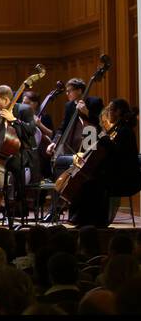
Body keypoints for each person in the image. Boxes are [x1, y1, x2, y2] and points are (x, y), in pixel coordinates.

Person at [67, 99, 141, 227]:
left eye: (110, 110)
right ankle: (87, 221)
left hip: (125, 176)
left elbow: (117, 153)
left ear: (118, 111)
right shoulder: (118, 129)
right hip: (114, 172)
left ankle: (93, 222)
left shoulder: (125, 131)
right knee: (90, 181)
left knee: (91, 183)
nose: (108, 113)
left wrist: (103, 138)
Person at [0, 84, 35, 217]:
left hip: (20, 152)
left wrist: (14, 120)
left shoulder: (24, 110)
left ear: (6, 99)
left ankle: (16, 204)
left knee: (12, 163)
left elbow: (30, 131)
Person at [48, 78, 104, 176]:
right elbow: (63, 127)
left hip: (90, 139)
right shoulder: (69, 106)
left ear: (79, 90)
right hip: (73, 145)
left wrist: (87, 112)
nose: (67, 93)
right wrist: (54, 142)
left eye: (70, 91)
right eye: (66, 91)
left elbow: (101, 122)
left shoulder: (94, 102)